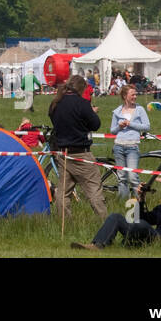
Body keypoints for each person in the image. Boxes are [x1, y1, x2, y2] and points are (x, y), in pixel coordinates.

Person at [72, 175, 161, 250]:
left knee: (140, 224)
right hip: (152, 235)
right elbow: (142, 218)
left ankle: (126, 244)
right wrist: (141, 199)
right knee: (116, 217)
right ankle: (97, 245)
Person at [48, 75, 106, 219]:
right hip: (81, 155)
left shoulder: (55, 103)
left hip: (63, 154)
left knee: (62, 193)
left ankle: (65, 223)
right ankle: (105, 222)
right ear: (81, 88)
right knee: (94, 191)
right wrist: (91, 113)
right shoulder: (83, 104)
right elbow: (96, 125)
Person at [110, 84, 151, 202]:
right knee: (122, 177)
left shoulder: (140, 109)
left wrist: (130, 124)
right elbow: (112, 130)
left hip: (132, 146)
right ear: (125, 96)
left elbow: (147, 126)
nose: (135, 96)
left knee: (133, 177)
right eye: (132, 94)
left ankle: (139, 202)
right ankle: (123, 202)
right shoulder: (117, 111)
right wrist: (119, 126)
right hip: (118, 146)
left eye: (135, 94)